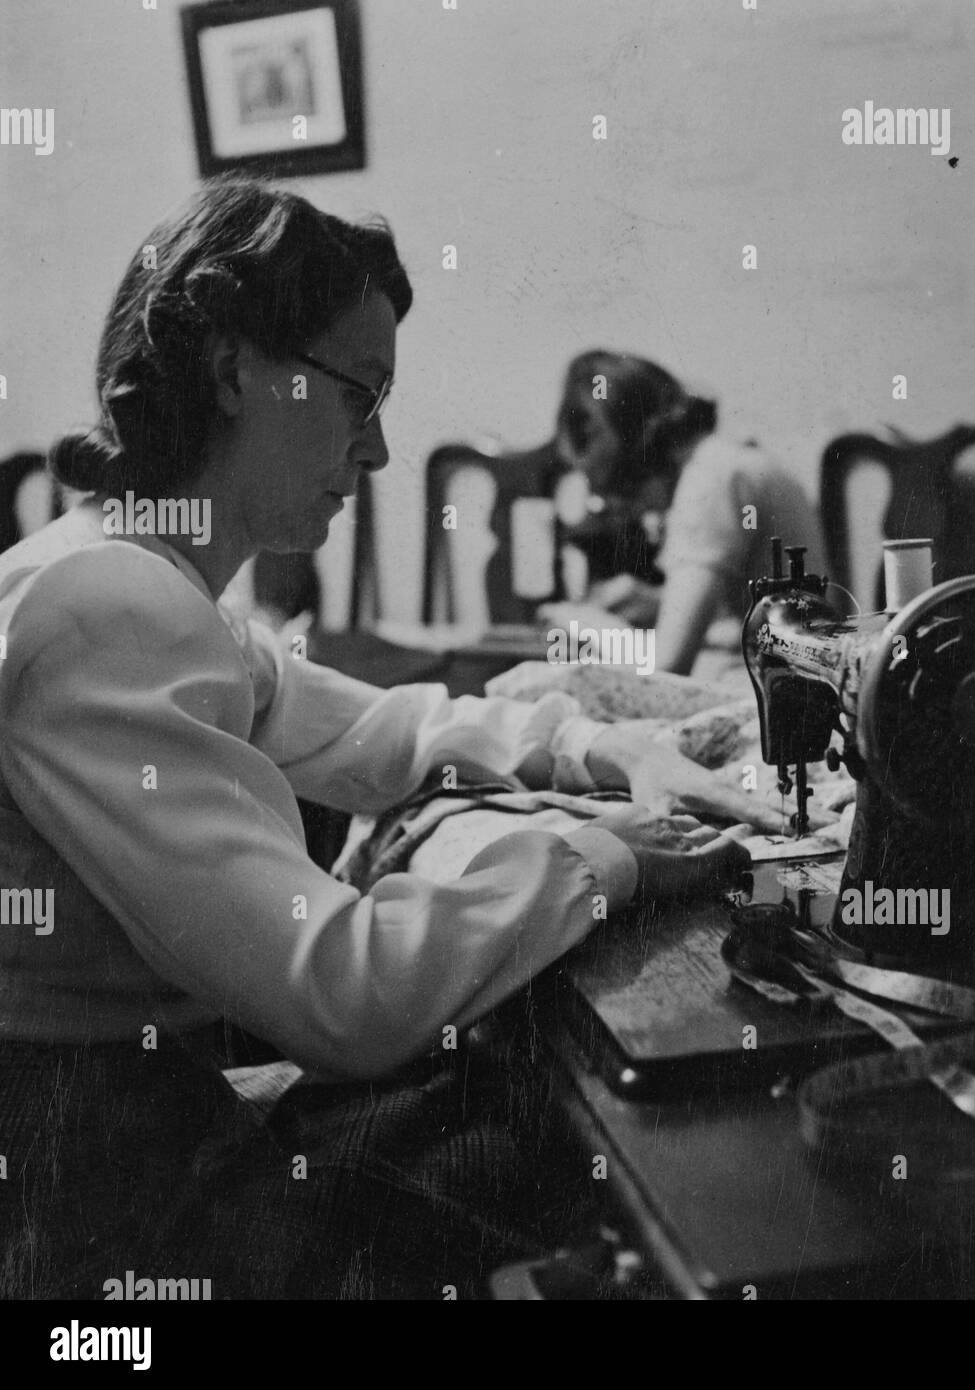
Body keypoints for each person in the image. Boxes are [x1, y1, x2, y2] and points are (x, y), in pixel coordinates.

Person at [0, 178, 781, 1299]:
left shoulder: (136, 575)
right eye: (361, 396)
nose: (375, 454)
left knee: (518, 1086)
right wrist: (610, 858)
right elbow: (346, 991)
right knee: (548, 1126)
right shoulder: (104, 611)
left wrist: (601, 748)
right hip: (92, 1207)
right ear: (235, 373)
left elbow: (375, 725)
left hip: (128, 1128)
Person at [539, 350, 827, 676]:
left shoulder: (709, 482)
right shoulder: (727, 459)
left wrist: (588, 626)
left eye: (614, 488)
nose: (624, 507)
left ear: (635, 457)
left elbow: (666, 666)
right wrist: (662, 600)